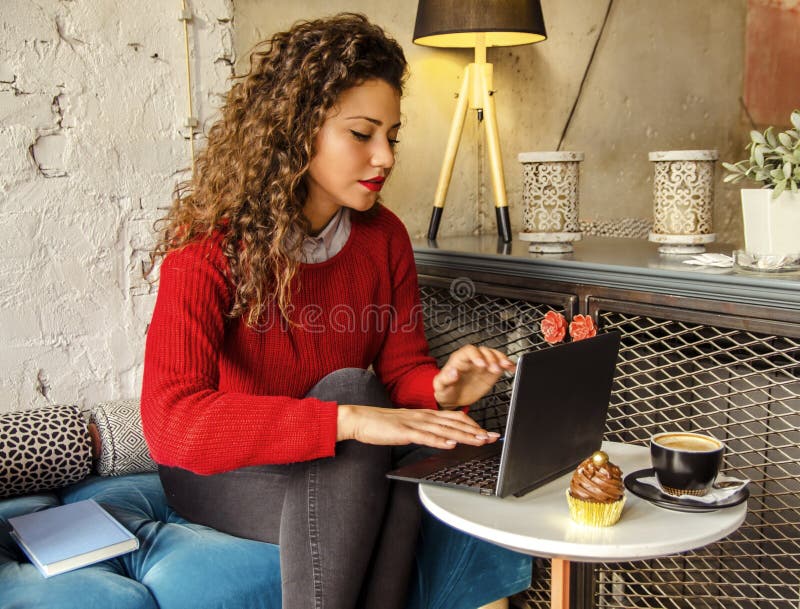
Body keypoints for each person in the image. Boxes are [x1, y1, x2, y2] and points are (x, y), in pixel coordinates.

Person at [140, 12, 515, 609]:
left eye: (392, 134)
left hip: (340, 460)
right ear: (296, 130)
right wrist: (347, 419)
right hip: (225, 470)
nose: (385, 156)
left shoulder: (383, 237)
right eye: (362, 134)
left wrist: (442, 389)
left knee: (414, 461)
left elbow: (401, 371)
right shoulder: (209, 245)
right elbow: (170, 421)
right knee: (354, 399)